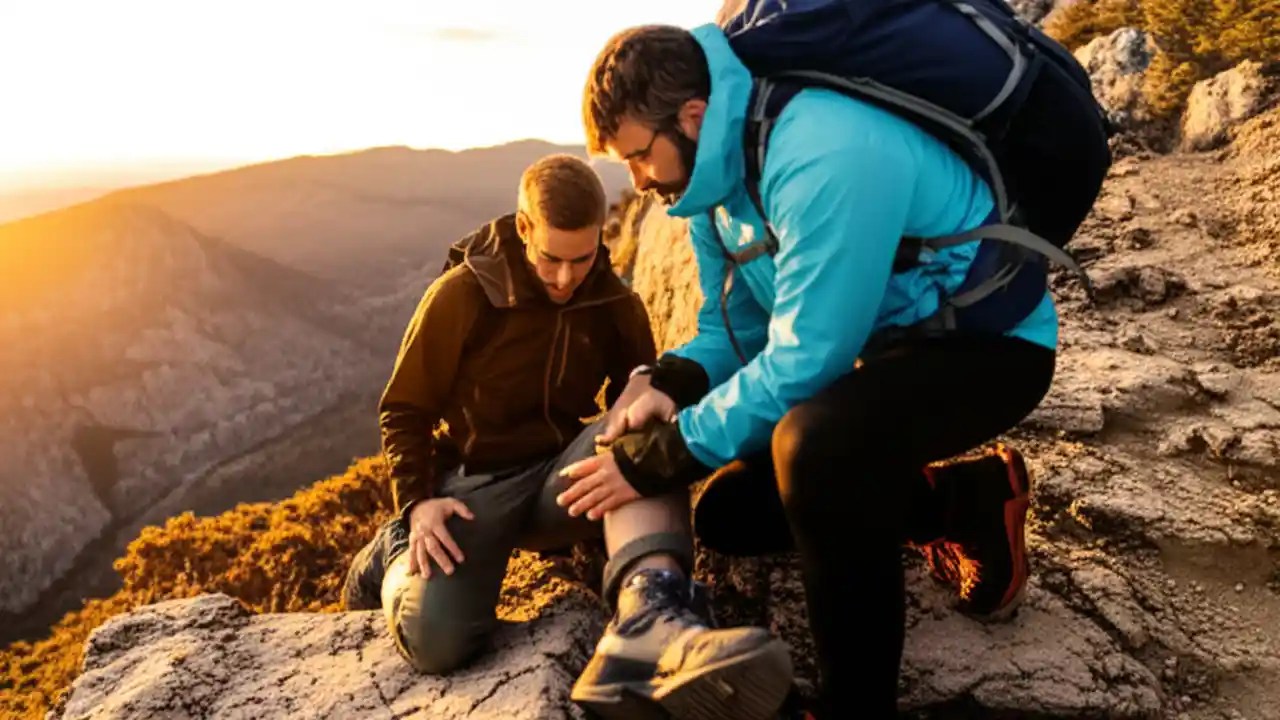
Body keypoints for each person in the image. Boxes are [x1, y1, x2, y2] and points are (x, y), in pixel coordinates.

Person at [575, 21, 1063, 718]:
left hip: (992, 348)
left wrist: (666, 455)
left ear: (692, 117)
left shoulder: (824, 152)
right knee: (732, 513)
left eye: (639, 157)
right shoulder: (714, 184)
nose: (639, 181)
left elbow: (810, 358)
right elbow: (733, 327)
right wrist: (671, 383)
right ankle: (967, 503)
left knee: (813, 449)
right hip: (892, 357)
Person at [341, 153, 794, 720]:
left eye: (580, 260)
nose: (564, 278)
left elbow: (634, 408)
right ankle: (391, 553)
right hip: (472, 489)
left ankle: (653, 614)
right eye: (551, 258)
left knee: (644, 414)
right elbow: (403, 408)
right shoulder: (463, 294)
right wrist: (416, 504)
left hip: (560, 477)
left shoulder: (612, 301)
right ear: (524, 227)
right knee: (437, 642)